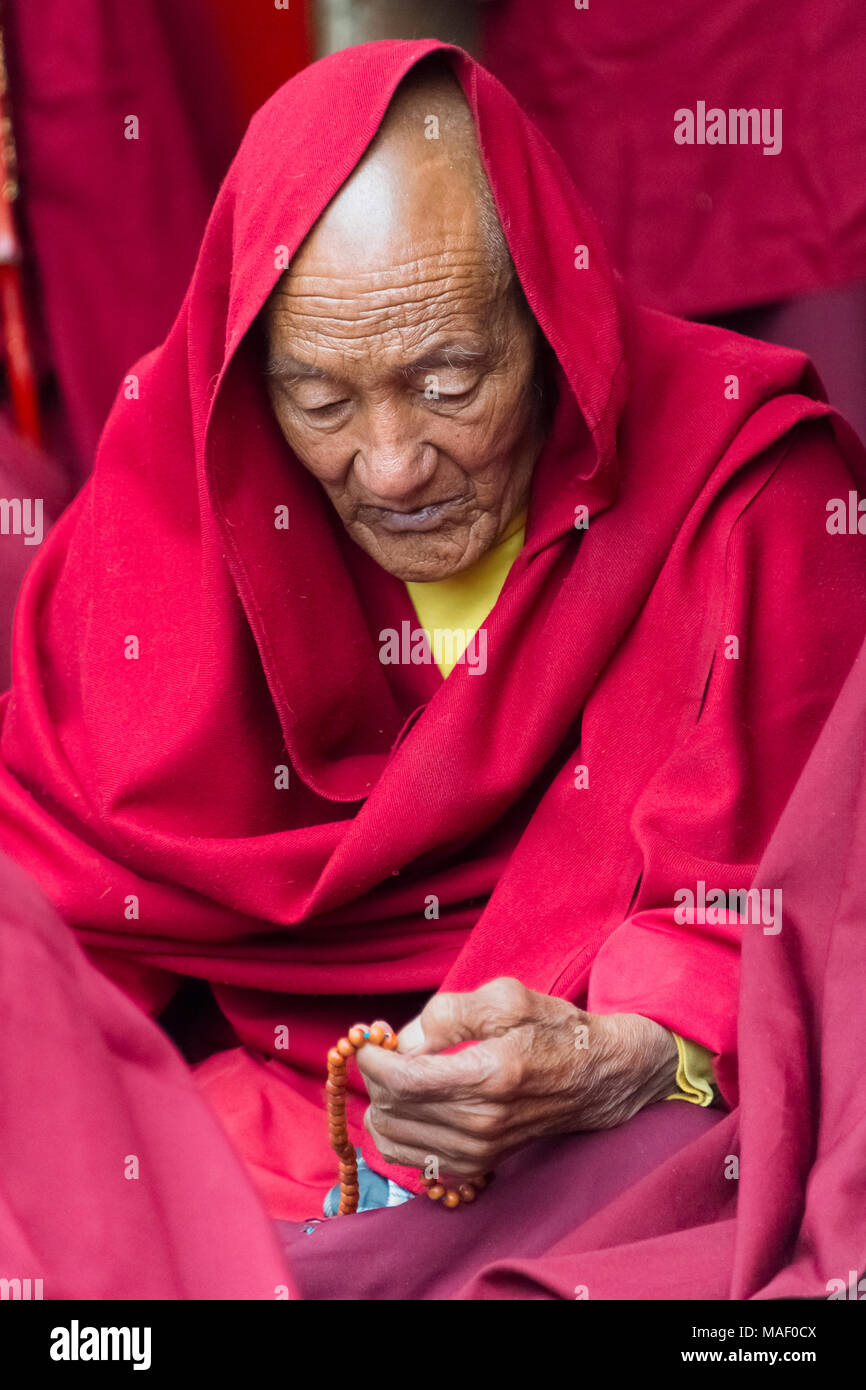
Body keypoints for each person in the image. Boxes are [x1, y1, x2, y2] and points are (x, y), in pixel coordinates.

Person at [0, 39, 865, 1299]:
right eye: (321, 400)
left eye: (448, 382)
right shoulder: (170, 510)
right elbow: (46, 909)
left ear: (551, 320)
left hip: (593, 1145)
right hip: (247, 1134)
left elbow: (807, 919)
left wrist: (630, 1050)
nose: (393, 465)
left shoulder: (745, 495)